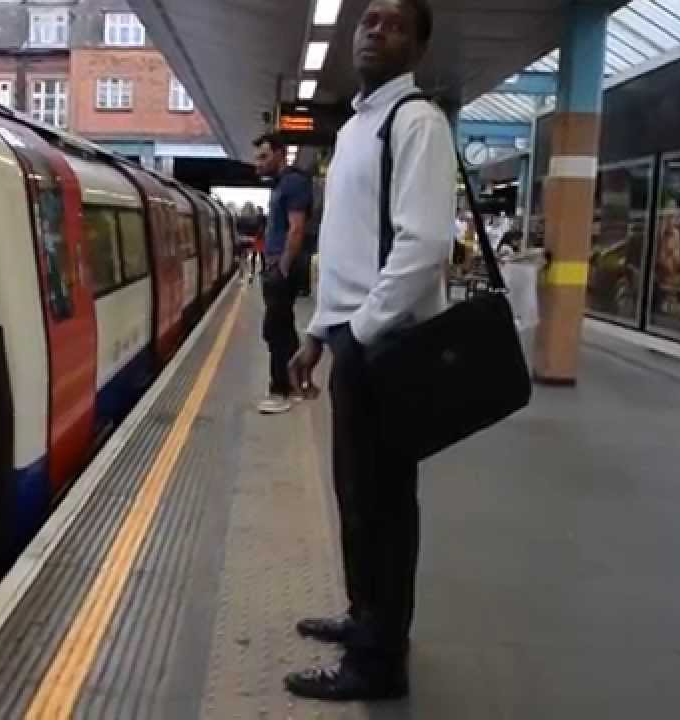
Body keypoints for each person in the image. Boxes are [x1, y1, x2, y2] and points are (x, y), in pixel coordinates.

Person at [285, 0, 453, 701]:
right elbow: (347, 245)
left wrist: (358, 330)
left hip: (385, 347)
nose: (373, 31)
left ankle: (378, 664)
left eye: (393, 24)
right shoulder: (358, 126)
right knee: (357, 499)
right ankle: (365, 619)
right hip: (355, 337)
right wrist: (318, 335)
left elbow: (424, 244)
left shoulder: (415, 123)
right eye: (368, 19)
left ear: (416, 48)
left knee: (381, 508)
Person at [251, 133, 313, 415]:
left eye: (263, 156)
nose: (258, 163)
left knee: (276, 330)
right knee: (280, 329)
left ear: (280, 154)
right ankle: (294, 381)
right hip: (275, 264)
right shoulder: (279, 185)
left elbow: (296, 227)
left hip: (282, 265)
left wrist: (283, 266)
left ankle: (281, 391)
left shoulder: (293, 183)